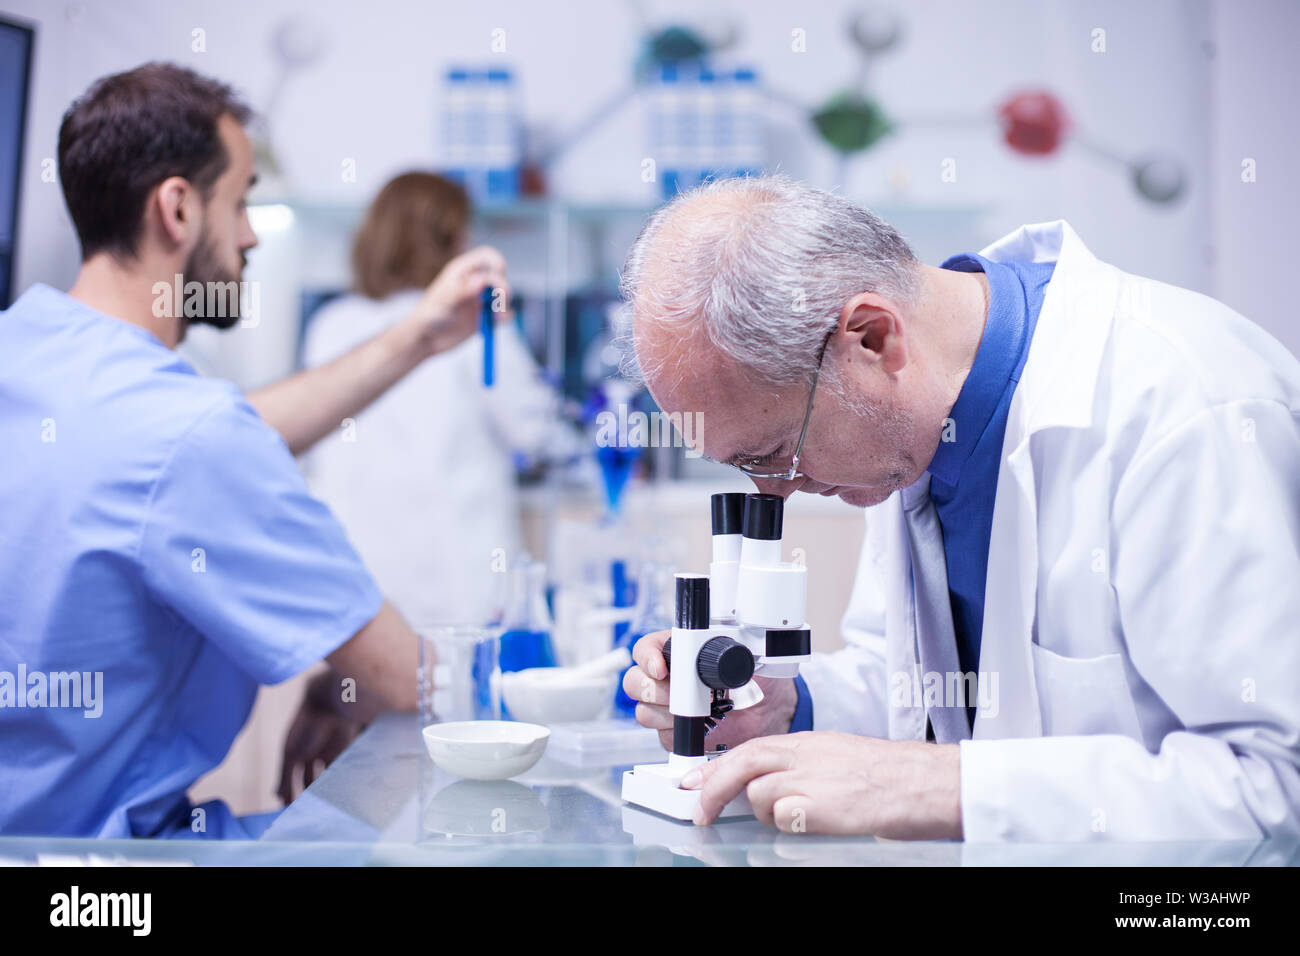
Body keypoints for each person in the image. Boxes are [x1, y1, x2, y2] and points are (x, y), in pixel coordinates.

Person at [619, 174, 1300, 842]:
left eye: (775, 454)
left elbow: (1277, 785)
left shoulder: (1188, 407)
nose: (774, 492)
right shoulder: (907, 423)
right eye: (747, 466)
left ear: (872, 338)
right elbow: (923, 690)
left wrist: (944, 787)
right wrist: (785, 707)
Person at [0, 63, 510, 838]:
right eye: (239, 201)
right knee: (404, 833)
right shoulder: (189, 432)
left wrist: (418, 338)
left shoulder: (37, 359)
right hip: (107, 868)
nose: (246, 234)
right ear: (176, 207)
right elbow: (411, 684)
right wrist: (344, 682)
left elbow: (189, 440)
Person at [300, 172, 558, 632]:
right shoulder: (466, 325)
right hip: (461, 588)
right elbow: (535, 433)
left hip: (364, 595)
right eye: (465, 231)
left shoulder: (330, 324)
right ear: (449, 241)